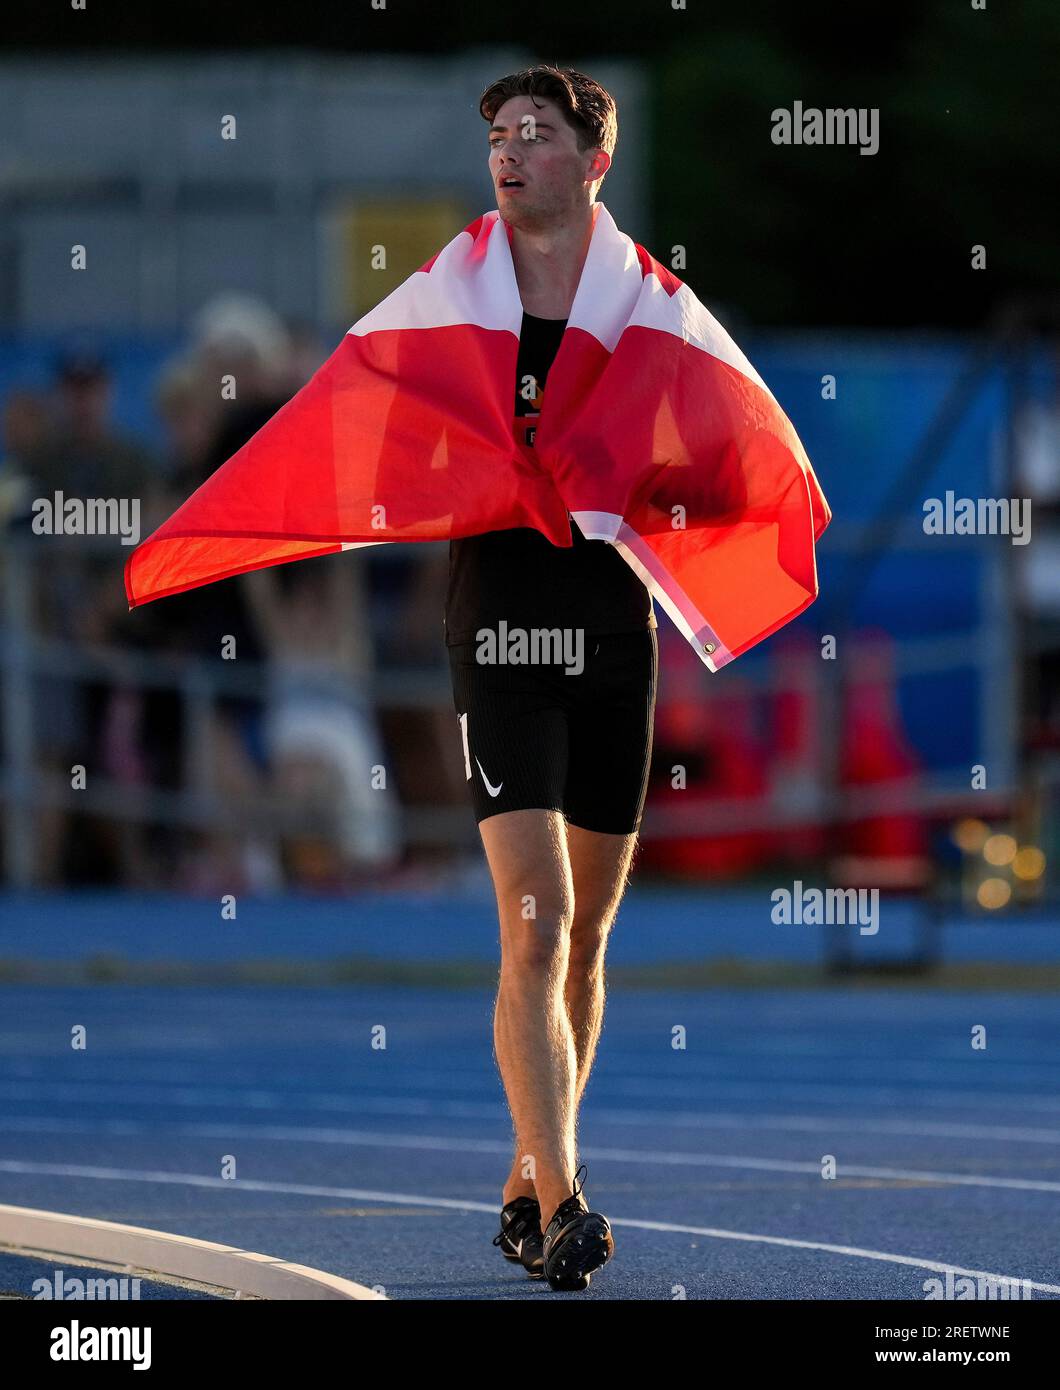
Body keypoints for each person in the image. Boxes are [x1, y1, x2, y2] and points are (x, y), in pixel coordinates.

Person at [445, 65, 657, 1291]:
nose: (511, 152)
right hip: (500, 633)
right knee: (538, 921)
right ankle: (570, 1198)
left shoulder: (647, 307)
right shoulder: (450, 297)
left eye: (537, 134)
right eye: (499, 137)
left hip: (611, 635)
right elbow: (384, 432)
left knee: (585, 945)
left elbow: (705, 446)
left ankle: (528, 1177)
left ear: (593, 161)